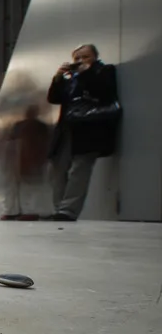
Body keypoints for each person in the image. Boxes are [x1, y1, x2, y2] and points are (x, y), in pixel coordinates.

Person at [46, 43, 120, 220]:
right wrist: (57, 78)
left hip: (89, 129)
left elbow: (104, 91)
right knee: (57, 169)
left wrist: (87, 73)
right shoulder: (71, 77)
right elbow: (54, 98)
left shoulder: (104, 71)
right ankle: (59, 209)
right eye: (77, 58)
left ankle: (68, 211)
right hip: (66, 129)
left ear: (95, 57)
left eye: (85, 57)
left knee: (80, 170)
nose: (80, 61)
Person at [0, 105, 51, 221]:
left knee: (28, 186)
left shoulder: (36, 127)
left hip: (29, 159)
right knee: (17, 187)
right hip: (22, 159)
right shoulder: (23, 127)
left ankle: (27, 211)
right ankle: (15, 211)